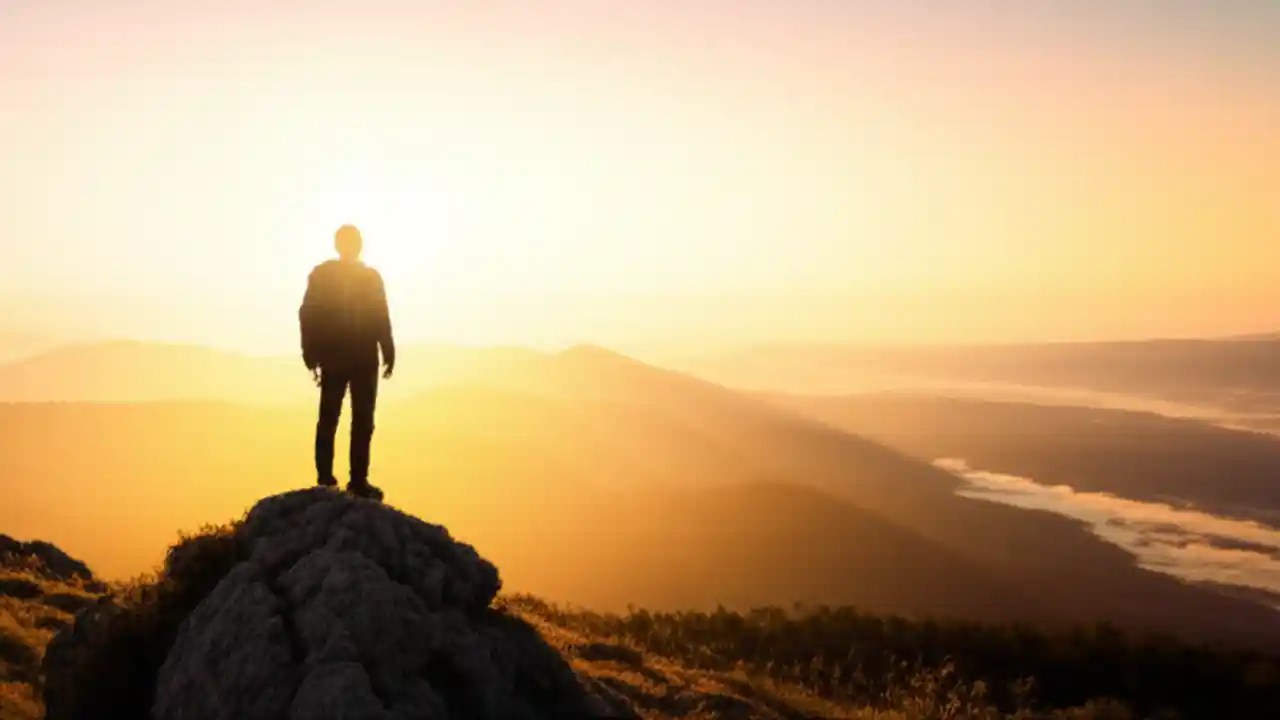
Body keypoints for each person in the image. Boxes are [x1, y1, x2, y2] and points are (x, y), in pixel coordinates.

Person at [299, 224, 395, 500]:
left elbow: (380, 314)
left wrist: (310, 353)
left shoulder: (325, 275)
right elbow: (309, 313)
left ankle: (338, 478)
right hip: (352, 356)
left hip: (346, 356)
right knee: (349, 419)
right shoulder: (348, 276)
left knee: (342, 418)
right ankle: (348, 480)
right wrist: (387, 349)